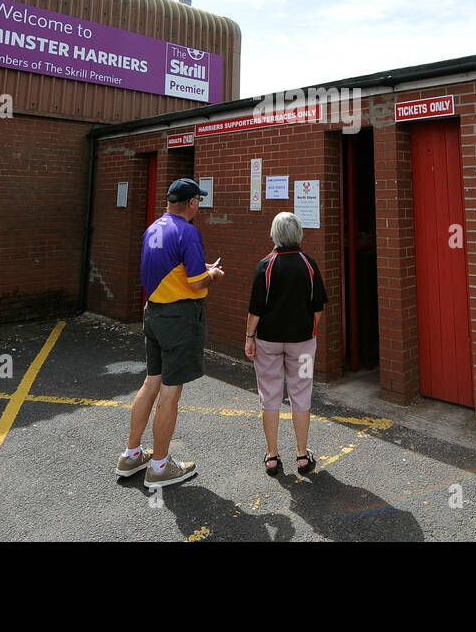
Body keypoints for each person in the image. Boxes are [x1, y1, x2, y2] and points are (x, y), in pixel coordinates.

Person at [118, 179, 225, 487]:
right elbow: (196, 283)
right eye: (198, 201)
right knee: (170, 390)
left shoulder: (152, 229)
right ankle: (161, 466)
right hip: (179, 319)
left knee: (151, 381)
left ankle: (131, 454)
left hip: (153, 313)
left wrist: (196, 269)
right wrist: (213, 275)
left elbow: (171, 269)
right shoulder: (188, 232)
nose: (199, 206)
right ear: (192, 203)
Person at [245, 212, 327, 476]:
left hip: (268, 342)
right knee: (301, 394)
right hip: (302, 343)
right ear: (298, 234)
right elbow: (318, 308)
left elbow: (255, 311)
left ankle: (272, 456)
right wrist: (308, 328)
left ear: (274, 234)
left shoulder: (266, 265)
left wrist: (249, 337)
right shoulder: (309, 264)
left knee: (269, 394)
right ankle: (302, 456)